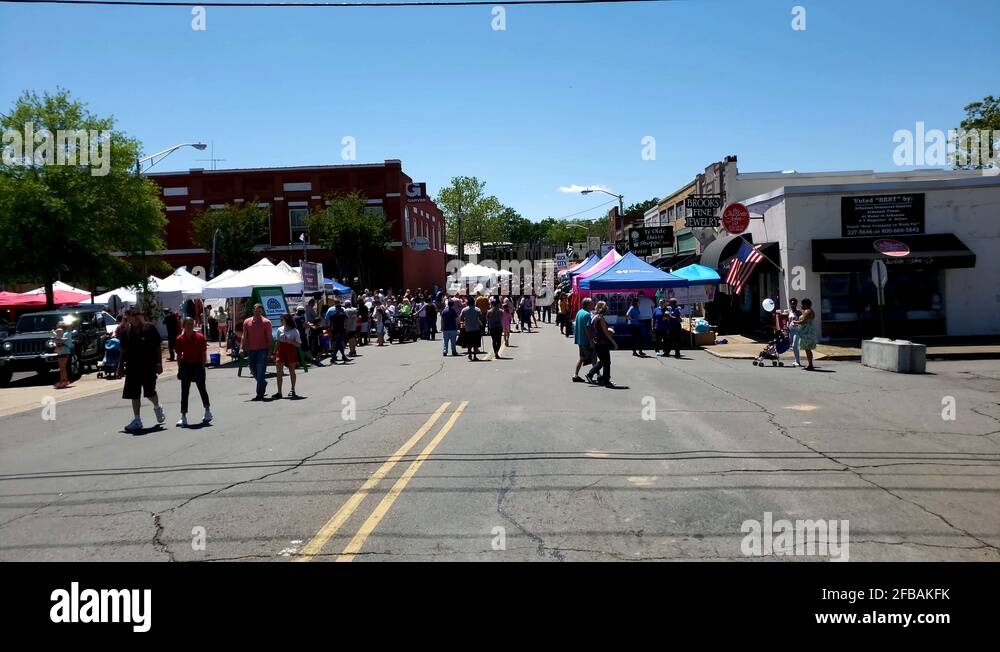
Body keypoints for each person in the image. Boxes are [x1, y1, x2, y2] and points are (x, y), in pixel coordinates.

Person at [117, 311, 165, 431]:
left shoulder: (149, 328)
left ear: (138, 316)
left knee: (149, 393)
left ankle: (157, 407)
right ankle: (137, 419)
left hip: (148, 366)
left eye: (134, 316)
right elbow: (122, 351)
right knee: (134, 394)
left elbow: (157, 346)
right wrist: (120, 366)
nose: (132, 319)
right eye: (128, 317)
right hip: (133, 367)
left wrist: (159, 363)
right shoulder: (125, 333)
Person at [174, 316, 212, 427]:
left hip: (198, 366)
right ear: (184, 326)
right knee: (184, 391)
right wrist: (180, 368)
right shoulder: (179, 339)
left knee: (202, 389)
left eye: (192, 324)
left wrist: (203, 366)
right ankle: (183, 416)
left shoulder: (200, 337)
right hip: (186, 366)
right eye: (188, 324)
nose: (190, 326)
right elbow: (179, 355)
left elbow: (204, 353)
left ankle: (207, 410)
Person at [241, 303, 273, 400]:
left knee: (260, 371)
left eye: (259, 311)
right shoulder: (247, 322)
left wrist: (270, 350)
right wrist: (241, 348)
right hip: (251, 350)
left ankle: (259, 393)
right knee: (252, 370)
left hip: (262, 350)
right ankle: (262, 382)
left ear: (262, 311)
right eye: (256, 311)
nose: (257, 313)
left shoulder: (266, 322)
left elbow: (269, 337)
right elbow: (244, 335)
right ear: (253, 311)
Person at [591, 300, 618, 387]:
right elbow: (605, 333)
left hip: (597, 341)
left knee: (605, 361)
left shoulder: (595, 317)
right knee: (606, 361)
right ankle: (599, 376)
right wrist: (614, 343)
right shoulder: (600, 318)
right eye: (606, 307)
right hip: (602, 342)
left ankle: (603, 378)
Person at [274, 314, 301, 398]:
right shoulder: (280, 329)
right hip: (281, 350)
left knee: (291, 371)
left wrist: (291, 342)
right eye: (280, 320)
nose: (281, 321)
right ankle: (279, 392)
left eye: (282, 320)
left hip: (290, 350)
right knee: (279, 371)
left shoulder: (294, 331)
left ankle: (292, 389)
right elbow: (278, 341)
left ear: (287, 320)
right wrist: (274, 351)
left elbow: (299, 344)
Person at [572, 297, 595, 383]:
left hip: (579, 339)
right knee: (593, 357)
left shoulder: (579, 312)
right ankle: (594, 374)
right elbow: (587, 328)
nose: (593, 304)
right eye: (592, 303)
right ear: (588, 305)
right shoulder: (587, 314)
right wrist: (591, 341)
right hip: (585, 340)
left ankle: (575, 375)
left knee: (582, 358)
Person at [794, 298, 818, 370]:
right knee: (807, 349)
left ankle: (810, 365)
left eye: (802, 304)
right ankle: (810, 364)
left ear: (805, 304)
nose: (802, 306)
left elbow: (803, 322)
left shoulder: (808, 311)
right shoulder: (808, 311)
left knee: (808, 349)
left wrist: (795, 322)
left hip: (807, 333)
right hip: (807, 332)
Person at [459, 296, 484, 361]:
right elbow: (480, 318)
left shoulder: (464, 310)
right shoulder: (477, 309)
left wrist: (463, 323)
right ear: (474, 302)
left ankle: (470, 354)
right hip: (476, 328)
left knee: (469, 343)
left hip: (468, 328)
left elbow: (461, 318)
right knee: (475, 343)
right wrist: (481, 324)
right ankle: (475, 356)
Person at [52, 321, 73, 389]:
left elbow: (61, 342)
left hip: (64, 352)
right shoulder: (65, 334)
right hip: (62, 352)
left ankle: (63, 381)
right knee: (62, 368)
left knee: (62, 368)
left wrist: (57, 341)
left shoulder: (66, 334)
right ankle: (64, 381)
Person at [786, 297, 803, 367]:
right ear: (790, 304)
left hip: (797, 330)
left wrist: (796, 323)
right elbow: (789, 320)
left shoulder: (798, 312)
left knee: (794, 345)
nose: (793, 305)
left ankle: (798, 361)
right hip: (791, 330)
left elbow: (801, 321)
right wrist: (787, 326)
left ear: (796, 304)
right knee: (793, 346)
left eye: (794, 303)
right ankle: (796, 360)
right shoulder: (790, 312)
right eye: (792, 303)